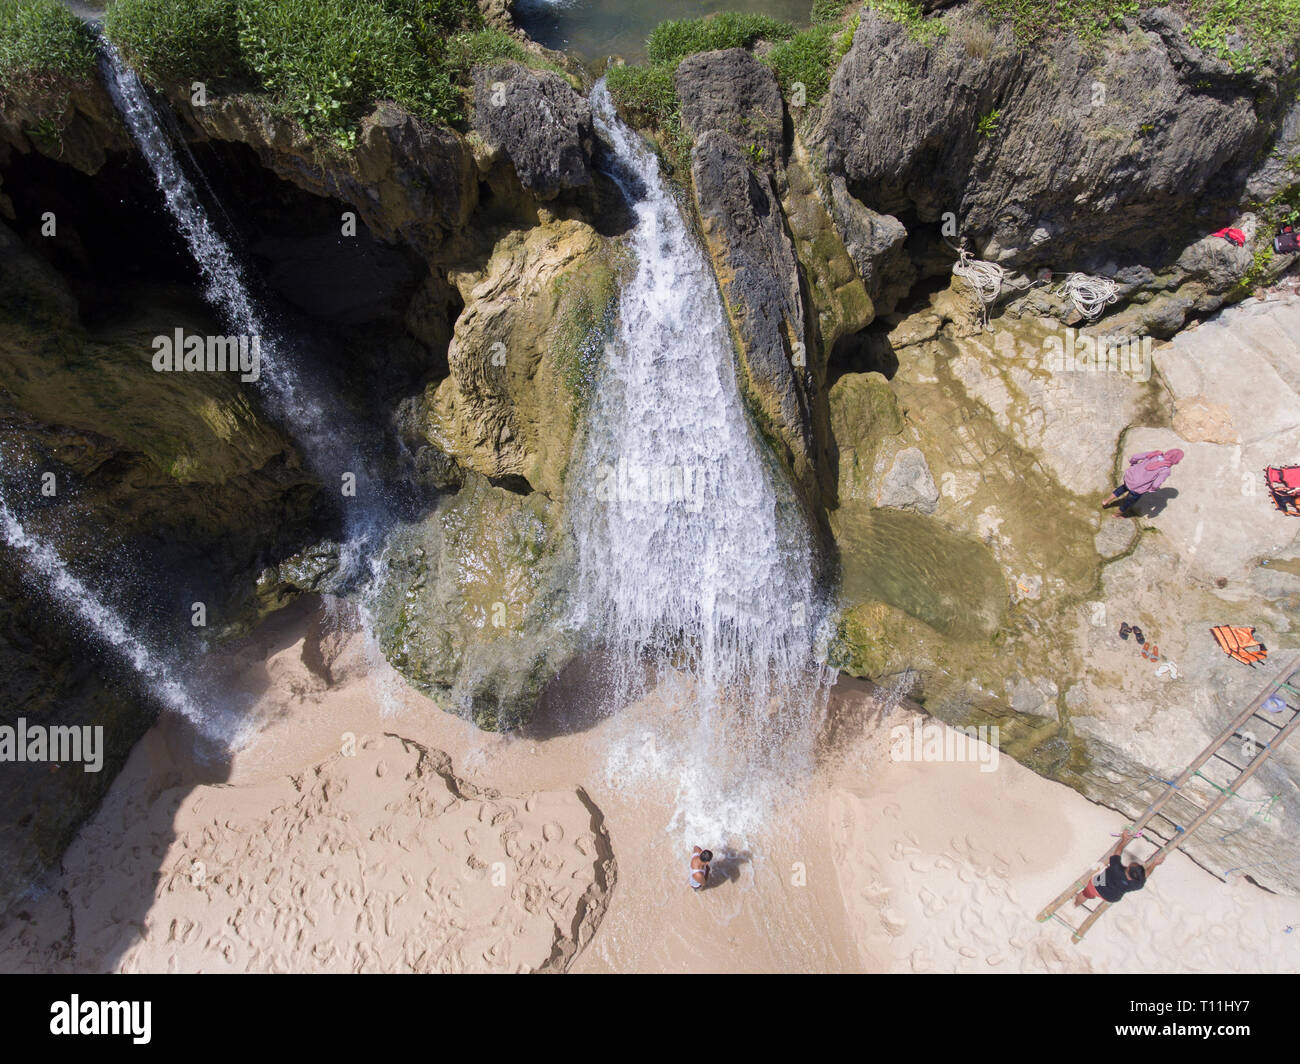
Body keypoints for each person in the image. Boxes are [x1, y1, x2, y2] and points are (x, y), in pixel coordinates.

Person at [1073, 830, 1160, 906]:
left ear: (1127, 869)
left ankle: (1075, 904)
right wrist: (1154, 864)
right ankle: (1082, 899)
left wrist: (1124, 840)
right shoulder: (1137, 884)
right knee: (1106, 876)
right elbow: (1146, 874)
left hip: (1099, 886)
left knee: (1087, 891)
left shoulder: (1116, 868)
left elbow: (1117, 852)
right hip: (1112, 897)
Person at [1101, 448, 1184, 519]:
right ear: (1176, 460)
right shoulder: (1166, 470)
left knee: (1122, 488)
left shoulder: (1155, 454)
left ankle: (1106, 501)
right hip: (1138, 488)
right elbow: (1156, 484)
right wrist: (1152, 489)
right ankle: (1116, 515)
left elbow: (1135, 457)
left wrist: (1133, 463)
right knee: (1128, 502)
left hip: (1130, 478)